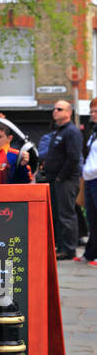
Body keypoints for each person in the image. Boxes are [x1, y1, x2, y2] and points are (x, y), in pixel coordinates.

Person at [39, 99, 83, 260]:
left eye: (59, 109)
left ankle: (69, 249)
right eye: (54, 109)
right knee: (57, 214)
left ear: (68, 112)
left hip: (66, 180)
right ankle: (61, 245)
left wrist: (60, 177)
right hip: (55, 179)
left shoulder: (72, 132)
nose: (55, 111)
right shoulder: (59, 131)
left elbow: (73, 158)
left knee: (66, 214)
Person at [78, 99, 97, 266]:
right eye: (91, 111)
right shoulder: (93, 133)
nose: (93, 114)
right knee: (92, 218)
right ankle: (90, 253)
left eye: (96, 111)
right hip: (90, 179)